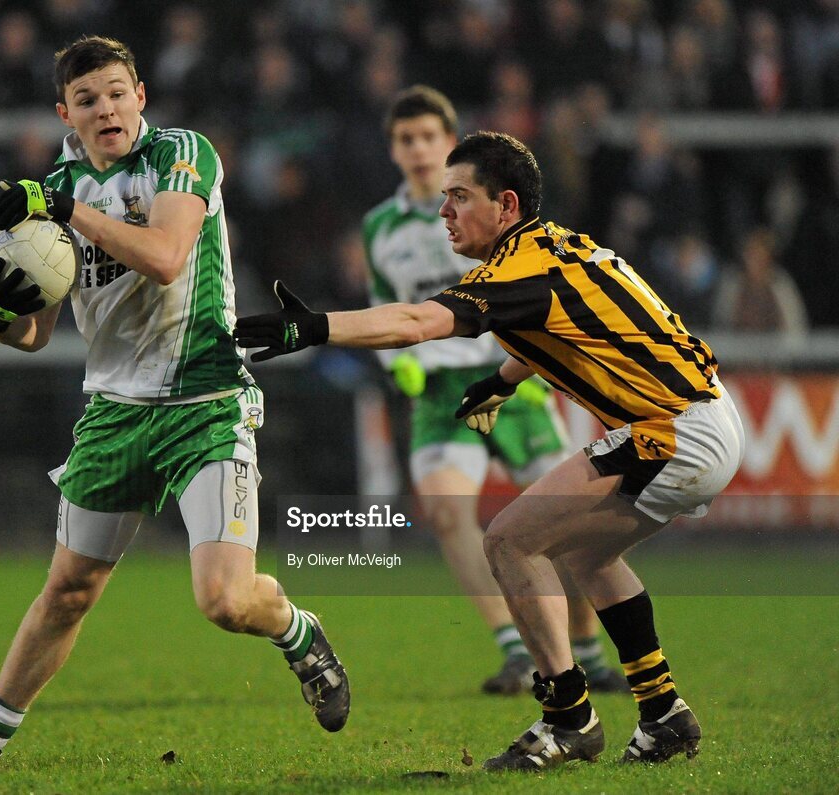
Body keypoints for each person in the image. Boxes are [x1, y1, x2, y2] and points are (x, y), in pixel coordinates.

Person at [0, 35, 349, 768]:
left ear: (141, 97)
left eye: (117, 92)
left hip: (206, 397)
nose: (107, 108)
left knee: (224, 600)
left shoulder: (180, 154)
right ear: (64, 112)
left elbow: (166, 258)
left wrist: (65, 209)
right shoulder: (55, 190)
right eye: (88, 98)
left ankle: (298, 631)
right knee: (68, 589)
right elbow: (33, 336)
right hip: (113, 410)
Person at [235, 131, 744, 772]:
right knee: (586, 552)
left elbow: (416, 323)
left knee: (507, 540)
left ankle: (569, 719)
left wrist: (314, 327)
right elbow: (575, 325)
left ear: (505, 206)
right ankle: (663, 712)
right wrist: (500, 381)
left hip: (675, 430)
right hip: (706, 417)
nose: (444, 210)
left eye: (459, 197)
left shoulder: (516, 269)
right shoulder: (554, 248)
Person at [365, 85, 626, 695]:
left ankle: (586, 647)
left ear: (449, 142)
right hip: (439, 391)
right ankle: (515, 648)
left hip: (512, 377)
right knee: (448, 514)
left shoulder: (490, 210)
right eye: (407, 139)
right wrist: (395, 366)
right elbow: (387, 304)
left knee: (571, 520)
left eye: (430, 136)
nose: (420, 149)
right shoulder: (380, 227)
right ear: (394, 150)